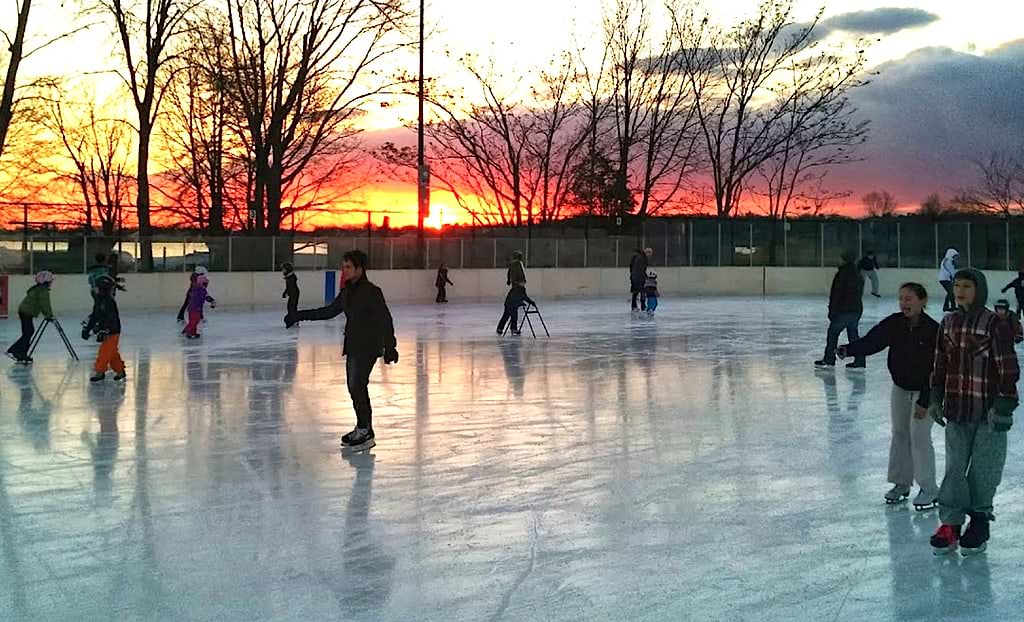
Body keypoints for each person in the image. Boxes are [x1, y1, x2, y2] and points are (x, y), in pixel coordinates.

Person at [928, 269, 1019, 556]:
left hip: (988, 410)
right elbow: (939, 364)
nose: (960, 291)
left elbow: (1008, 367)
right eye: (957, 285)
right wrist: (935, 398)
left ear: (978, 289)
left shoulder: (994, 324)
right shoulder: (948, 323)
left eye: (967, 286)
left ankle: (979, 521)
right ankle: (951, 524)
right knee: (954, 468)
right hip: (957, 408)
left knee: (984, 469)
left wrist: (1004, 406)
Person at [838, 283, 939, 509]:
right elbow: (873, 341)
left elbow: (936, 369)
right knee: (900, 434)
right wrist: (850, 349)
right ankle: (901, 483)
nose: (904, 303)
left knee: (920, 437)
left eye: (910, 298)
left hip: (925, 391)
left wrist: (926, 399)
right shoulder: (894, 323)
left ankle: (929, 488)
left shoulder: (933, 329)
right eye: (901, 298)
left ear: (923, 301)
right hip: (900, 388)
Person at [286, 250, 398, 452]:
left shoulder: (372, 292)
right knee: (354, 388)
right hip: (353, 345)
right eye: (343, 266)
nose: (344, 271)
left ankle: (366, 431)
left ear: (359, 269)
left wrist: (390, 346)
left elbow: (385, 318)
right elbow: (328, 312)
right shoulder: (347, 292)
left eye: (348, 267)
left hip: (369, 346)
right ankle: (362, 427)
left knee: (357, 385)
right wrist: (299, 315)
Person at [815, 250, 866, 369]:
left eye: (840, 258)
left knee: (833, 334)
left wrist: (832, 310)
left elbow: (836, 294)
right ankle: (860, 360)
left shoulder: (842, 274)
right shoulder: (858, 274)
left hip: (844, 311)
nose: (838, 260)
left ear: (844, 260)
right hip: (856, 310)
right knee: (853, 335)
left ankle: (829, 359)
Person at [83, 275, 126, 382]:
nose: (94, 289)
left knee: (104, 353)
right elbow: (95, 316)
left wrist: (104, 330)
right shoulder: (99, 301)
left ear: (102, 288)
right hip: (107, 330)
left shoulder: (108, 302)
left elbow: (111, 318)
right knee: (112, 353)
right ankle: (120, 371)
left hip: (112, 332)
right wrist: (88, 329)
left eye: (96, 287)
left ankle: (99, 372)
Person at [6, 271, 55, 364]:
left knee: (28, 332)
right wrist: (49, 315)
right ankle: (18, 351)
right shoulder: (43, 291)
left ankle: (17, 350)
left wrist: (48, 315)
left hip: (25, 311)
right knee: (28, 332)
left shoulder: (38, 289)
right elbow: (45, 304)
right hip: (26, 312)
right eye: (50, 281)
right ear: (45, 282)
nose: (51, 283)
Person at [497, 251, 535, 336]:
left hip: (511, 301)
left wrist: (509, 280)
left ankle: (501, 328)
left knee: (507, 315)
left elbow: (510, 272)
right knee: (513, 315)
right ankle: (512, 328)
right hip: (511, 302)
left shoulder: (515, 264)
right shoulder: (516, 264)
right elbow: (524, 296)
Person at [183, 274, 216, 339]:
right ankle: (189, 332)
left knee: (195, 321)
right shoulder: (199, 289)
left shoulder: (198, 288)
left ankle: (190, 332)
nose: (206, 285)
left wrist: (212, 301)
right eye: (206, 283)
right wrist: (212, 301)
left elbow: (205, 296)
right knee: (194, 321)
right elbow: (206, 297)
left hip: (196, 308)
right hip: (194, 308)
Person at [938, 248, 959, 312]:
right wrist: (952, 276)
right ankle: (946, 307)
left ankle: (952, 306)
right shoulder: (948, 261)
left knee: (951, 292)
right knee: (951, 292)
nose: (955, 257)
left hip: (946, 279)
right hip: (945, 279)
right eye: (954, 255)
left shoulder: (947, 261)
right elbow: (950, 271)